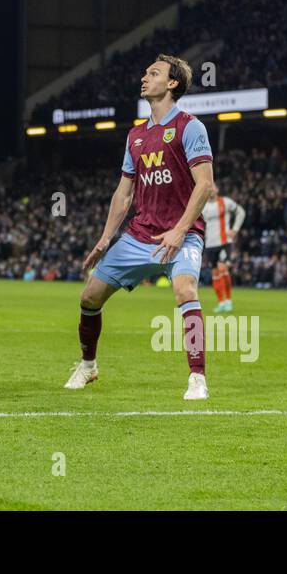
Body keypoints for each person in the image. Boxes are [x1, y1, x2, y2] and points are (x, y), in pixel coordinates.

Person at [66, 56, 215, 401]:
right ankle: (88, 366)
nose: (144, 77)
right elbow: (124, 191)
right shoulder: (136, 135)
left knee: (186, 291)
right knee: (89, 297)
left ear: (173, 83)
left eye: (153, 73)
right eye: (146, 72)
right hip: (139, 235)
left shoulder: (190, 127)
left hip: (182, 234)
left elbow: (205, 184)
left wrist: (180, 230)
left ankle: (197, 377)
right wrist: (105, 238)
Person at [201, 192, 244, 313]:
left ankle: (228, 300)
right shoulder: (203, 206)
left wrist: (235, 230)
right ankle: (221, 302)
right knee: (215, 273)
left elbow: (241, 212)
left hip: (224, 243)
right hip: (210, 244)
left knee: (223, 268)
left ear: (217, 189)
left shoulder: (225, 202)